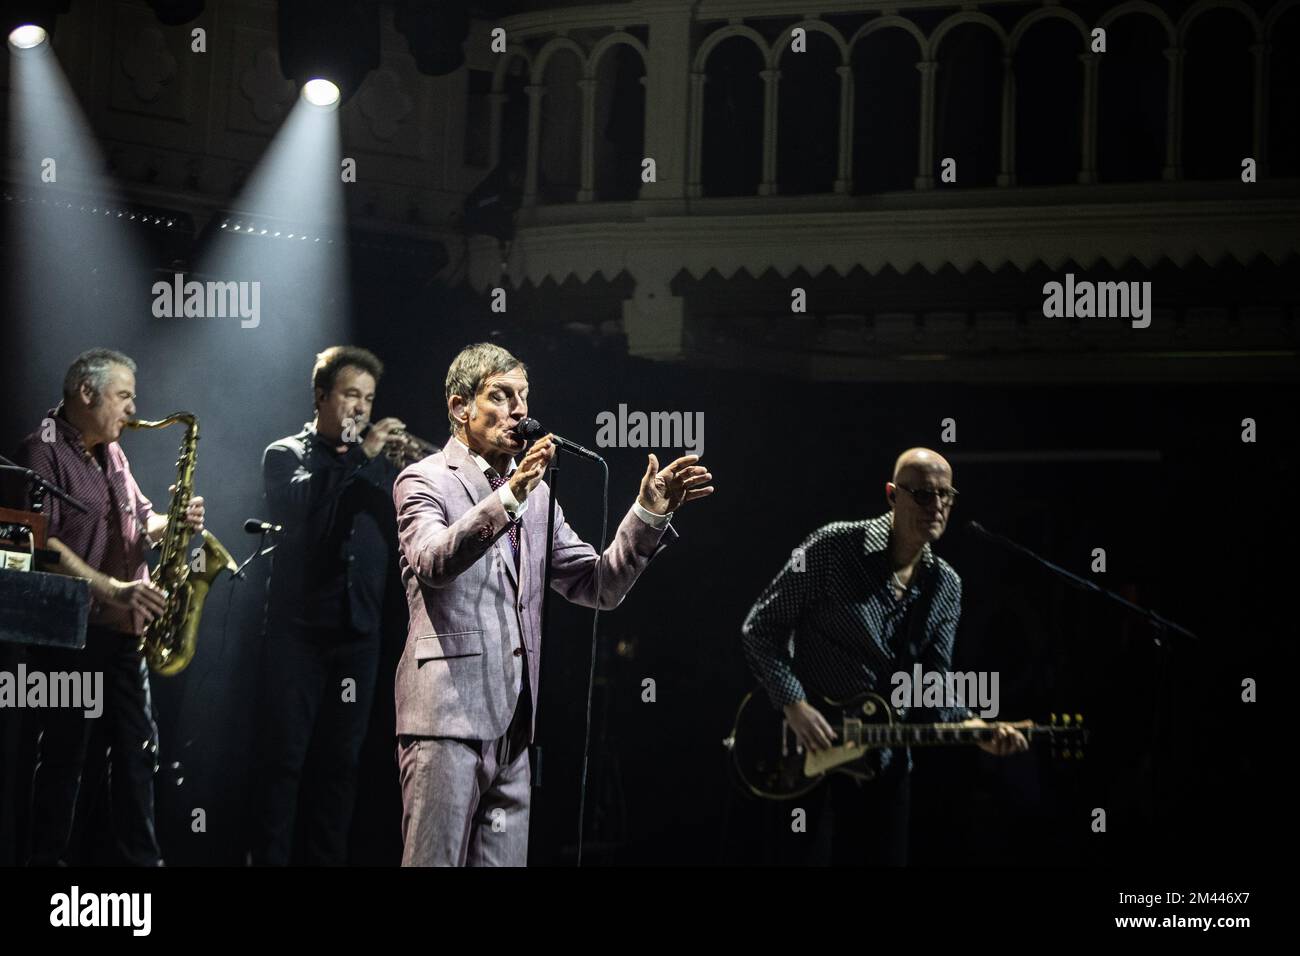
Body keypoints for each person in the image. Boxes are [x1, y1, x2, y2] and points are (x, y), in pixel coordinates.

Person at [394, 342, 714, 866]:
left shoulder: (537, 496)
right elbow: (434, 561)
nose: (520, 409)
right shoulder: (425, 479)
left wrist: (648, 515)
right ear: (460, 408)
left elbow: (598, 585)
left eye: (524, 395)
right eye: (501, 395)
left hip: (516, 727)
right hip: (445, 722)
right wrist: (509, 497)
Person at [741, 447, 1027, 865]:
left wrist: (976, 728)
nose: (936, 506)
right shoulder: (834, 546)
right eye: (922, 494)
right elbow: (760, 628)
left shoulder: (945, 585)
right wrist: (794, 705)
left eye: (945, 495)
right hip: (809, 759)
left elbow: (931, 689)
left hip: (885, 765)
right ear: (892, 495)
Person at [12, 348, 204, 865]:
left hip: (124, 633)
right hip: (69, 635)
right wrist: (112, 588)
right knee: (63, 762)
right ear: (86, 393)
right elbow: (39, 544)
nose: (132, 408)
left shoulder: (114, 452)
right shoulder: (41, 450)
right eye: (123, 396)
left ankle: (142, 868)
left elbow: (141, 519)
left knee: (140, 756)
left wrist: (175, 522)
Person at [250, 346, 405, 865]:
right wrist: (360, 459)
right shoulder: (285, 454)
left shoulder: (381, 468)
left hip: (358, 636)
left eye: (367, 398)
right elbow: (297, 507)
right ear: (321, 396)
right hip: (299, 635)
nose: (360, 409)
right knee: (284, 763)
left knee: (341, 768)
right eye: (349, 395)